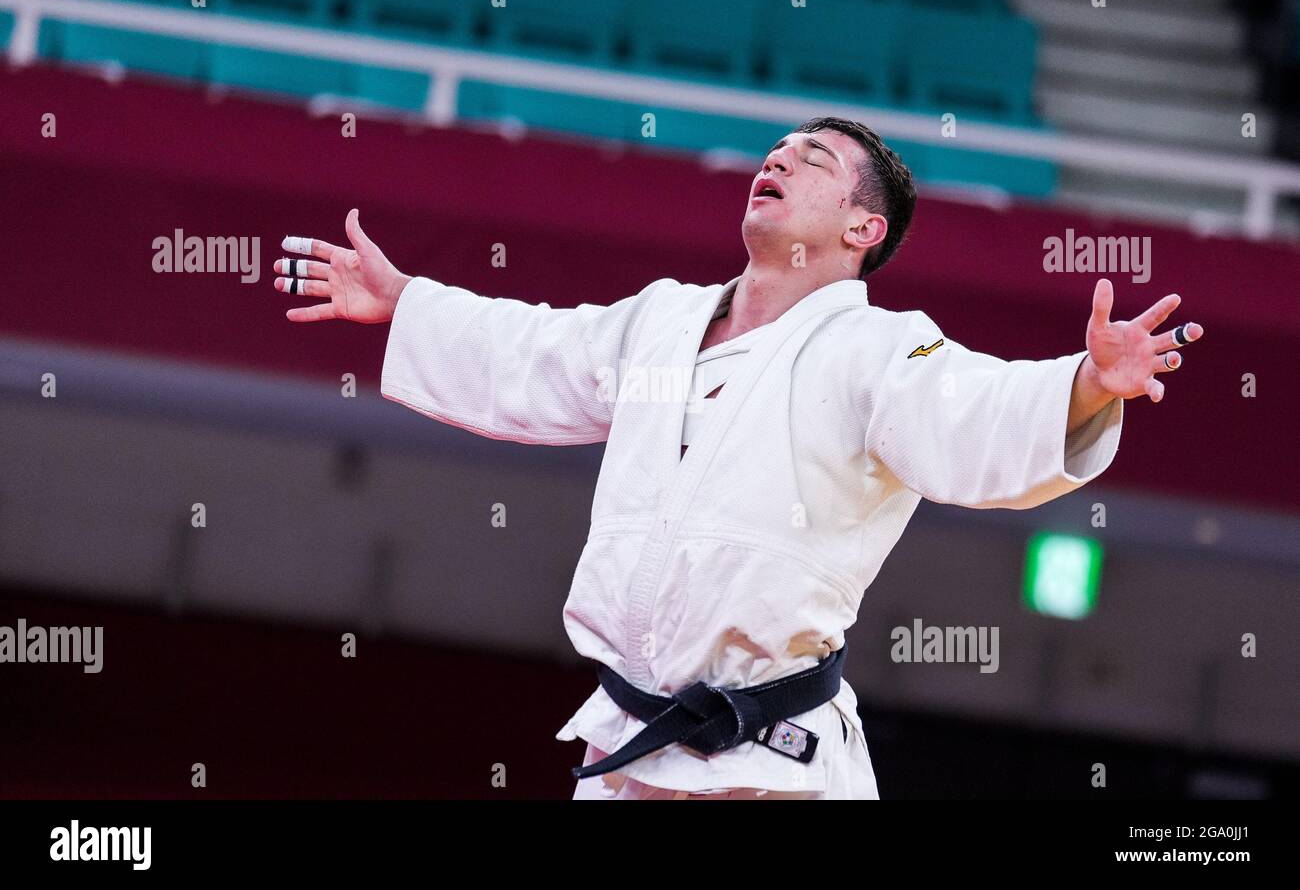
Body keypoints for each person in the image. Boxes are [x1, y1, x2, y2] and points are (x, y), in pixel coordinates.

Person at [274, 116, 1203, 799]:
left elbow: (976, 412)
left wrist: (1088, 382)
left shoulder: (878, 351)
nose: (778, 160)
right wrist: (409, 302)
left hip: (775, 763)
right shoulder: (662, 320)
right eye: (775, 151)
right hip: (629, 746)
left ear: (863, 229)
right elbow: (535, 350)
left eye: (813, 160)